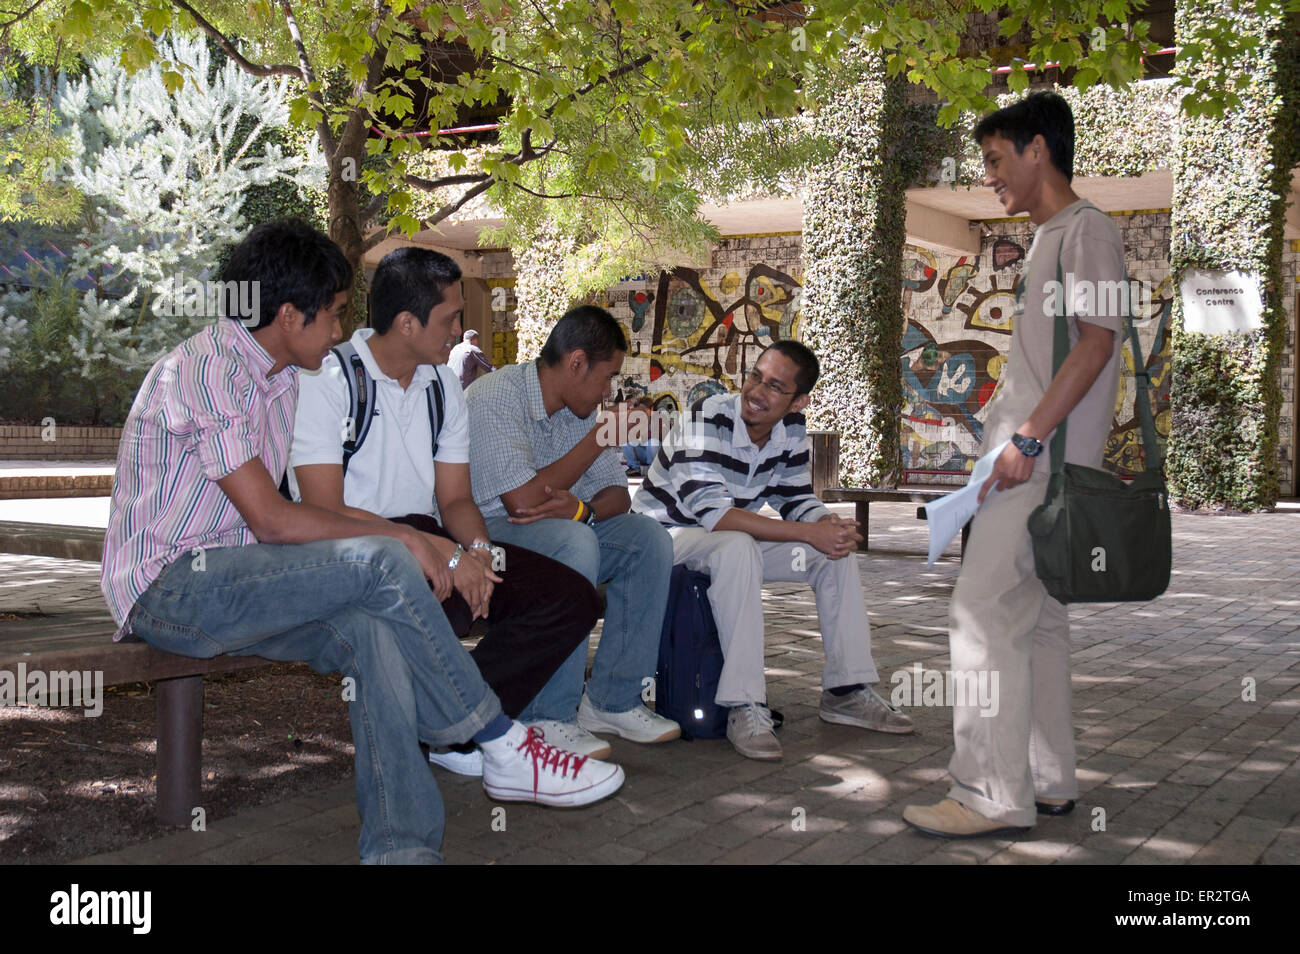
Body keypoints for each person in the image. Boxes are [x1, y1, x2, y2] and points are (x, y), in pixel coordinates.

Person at [99, 221, 623, 866]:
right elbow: (274, 520)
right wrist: (408, 537)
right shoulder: (208, 370)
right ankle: (498, 740)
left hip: (243, 579)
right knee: (382, 559)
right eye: (334, 312)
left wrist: (450, 546)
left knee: (375, 634)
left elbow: (292, 524)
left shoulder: (282, 375)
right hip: (171, 588)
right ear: (288, 315)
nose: (341, 329)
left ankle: (402, 849)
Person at [289, 245, 604, 777]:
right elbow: (325, 510)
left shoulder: (442, 386)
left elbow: (455, 499)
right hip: (351, 549)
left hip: (431, 540)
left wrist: (478, 553)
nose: (460, 331)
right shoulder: (329, 378)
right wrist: (443, 554)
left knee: (569, 599)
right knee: (434, 590)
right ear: (406, 323)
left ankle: (451, 727)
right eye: (451, 318)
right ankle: (452, 729)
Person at [903, 91, 1125, 838]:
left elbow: (1097, 341)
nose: (989, 176)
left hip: (1038, 466)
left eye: (997, 160)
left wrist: (1027, 439)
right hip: (1030, 460)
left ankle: (988, 793)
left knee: (981, 613)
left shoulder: (1086, 231)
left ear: (1038, 149)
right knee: (1038, 623)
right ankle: (1048, 781)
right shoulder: (1050, 237)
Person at [632, 341, 914, 760]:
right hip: (662, 541)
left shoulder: (791, 428)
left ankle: (846, 691)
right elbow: (716, 515)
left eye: (775, 387)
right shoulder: (705, 417)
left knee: (831, 553)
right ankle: (743, 704)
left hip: (723, 543)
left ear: (798, 401)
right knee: (738, 545)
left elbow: (793, 496)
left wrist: (825, 525)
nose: (757, 392)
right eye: (755, 377)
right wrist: (807, 532)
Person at [466, 305, 680, 757]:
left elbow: (617, 497)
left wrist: (582, 509)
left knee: (649, 540)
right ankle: (547, 715)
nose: (608, 391)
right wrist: (598, 438)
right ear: (577, 362)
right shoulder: (495, 396)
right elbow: (523, 502)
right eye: (606, 377)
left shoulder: (580, 411)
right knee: (575, 540)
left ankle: (612, 702)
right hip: (486, 538)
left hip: (553, 532)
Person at [619, 395, 661, 477]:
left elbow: (661, 435)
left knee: (653, 442)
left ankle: (652, 470)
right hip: (642, 452)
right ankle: (634, 468)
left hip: (654, 453)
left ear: (651, 409)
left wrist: (644, 434)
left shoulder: (659, 418)